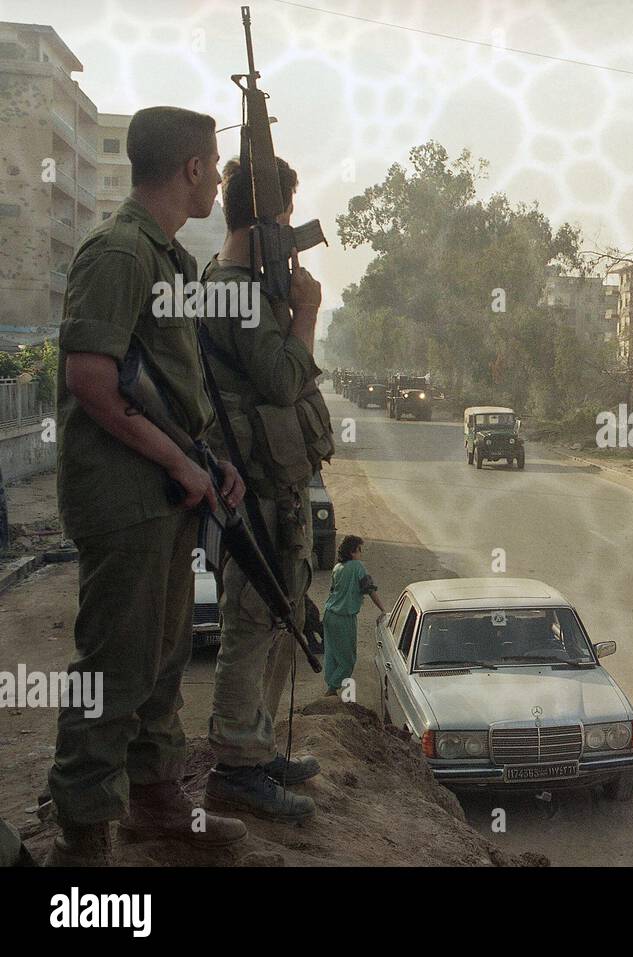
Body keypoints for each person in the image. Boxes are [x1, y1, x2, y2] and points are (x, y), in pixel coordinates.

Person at [47, 106, 248, 865]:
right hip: (124, 498)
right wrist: (178, 464)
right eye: (217, 164)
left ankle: (155, 802)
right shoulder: (119, 252)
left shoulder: (166, 257)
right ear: (192, 169)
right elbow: (92, 380)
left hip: (164, 492)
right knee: (115, 662)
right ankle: (83, 833)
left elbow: (163, 383)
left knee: (163, 656)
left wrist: (207, 458)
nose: (221, 179)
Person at [201, 156, 333, 824]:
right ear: (267, 219)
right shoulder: (234, 292)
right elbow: (282, 381)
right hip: (249, 487)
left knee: (277, 617)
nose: (291, 228)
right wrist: (306, 312)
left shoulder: (243, 288)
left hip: (269, 482)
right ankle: (234, 767)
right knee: (250, 623)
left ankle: (255, 749)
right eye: (286, 216)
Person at [322, 536, 385, 695]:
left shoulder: (337, 567)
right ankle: (332, 689)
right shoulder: (358, 567)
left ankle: (331, 687)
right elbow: (369, 589)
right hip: (344, 618)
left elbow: (333, 590)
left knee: (331, 654)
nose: (360, 554)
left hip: (329, 615)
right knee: (347, 660)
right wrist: (383, 609)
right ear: (352, 552)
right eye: (359, 550)